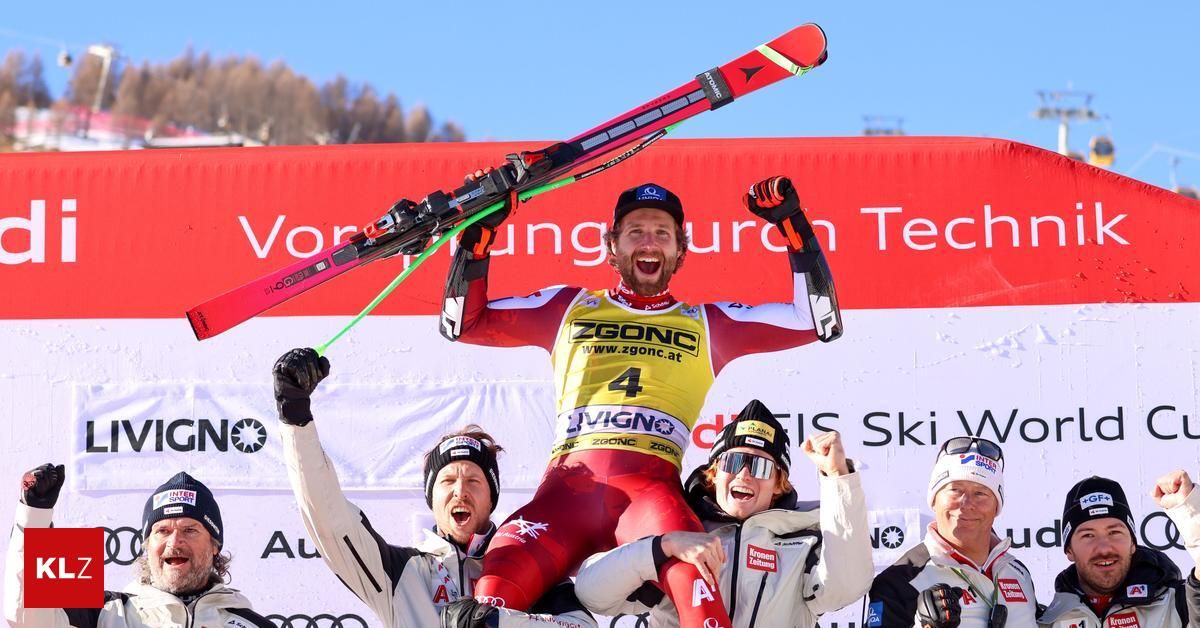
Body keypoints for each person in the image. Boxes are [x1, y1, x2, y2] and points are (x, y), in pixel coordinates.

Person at [439, 174, 841, 626]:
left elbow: (818, 320)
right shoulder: (568, 307)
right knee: (483, 605)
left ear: (680, 250)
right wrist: (478, 236)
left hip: (650, 499)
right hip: (564, 498)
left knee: (699, 589)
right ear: (611, 246)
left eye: (662, 234)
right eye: (635, 233)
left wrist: (792, 226)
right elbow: (462, 322)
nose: (649, 243)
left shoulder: (709, 323)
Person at [271, 348, 596, 628]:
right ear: (431, 497)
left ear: (492, 496)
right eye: (448, 481)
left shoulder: (532, 564)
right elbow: (329, 517)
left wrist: (497, 622)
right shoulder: (397, 574)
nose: (460, 491)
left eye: (473, 480)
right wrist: (295, 417)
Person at [573, 399, 873, 627]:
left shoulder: (804, 538)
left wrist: (837, 477)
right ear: (714, 474)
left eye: (760, 466)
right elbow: (593, 595)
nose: (744, 473)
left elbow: (844, 589)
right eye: (733, 462)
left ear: (778, 486)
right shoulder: (676, 525)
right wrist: (663, 546)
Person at [4, 465, 272, 627]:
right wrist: (36, 517)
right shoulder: (102, 612)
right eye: (162, 531)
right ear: (146, 545)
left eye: (190, 530)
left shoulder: (252, 624)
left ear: (215, 545)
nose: (174, 542)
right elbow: (28, 620)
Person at [866, 437, 1039, 627]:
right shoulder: (900, 580)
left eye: (980, 493)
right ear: (933, 499)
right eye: (955, 490)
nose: (966, 504)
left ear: (997, 506)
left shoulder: (1018, 573)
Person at [1035, 472, 1200, 627]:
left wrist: (1190, 512)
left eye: (1114, 532)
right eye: (1088, 536)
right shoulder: (1048, 621)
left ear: (1132, 543)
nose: (1104, 547)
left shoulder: (1180, 605)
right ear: (1069, 550)